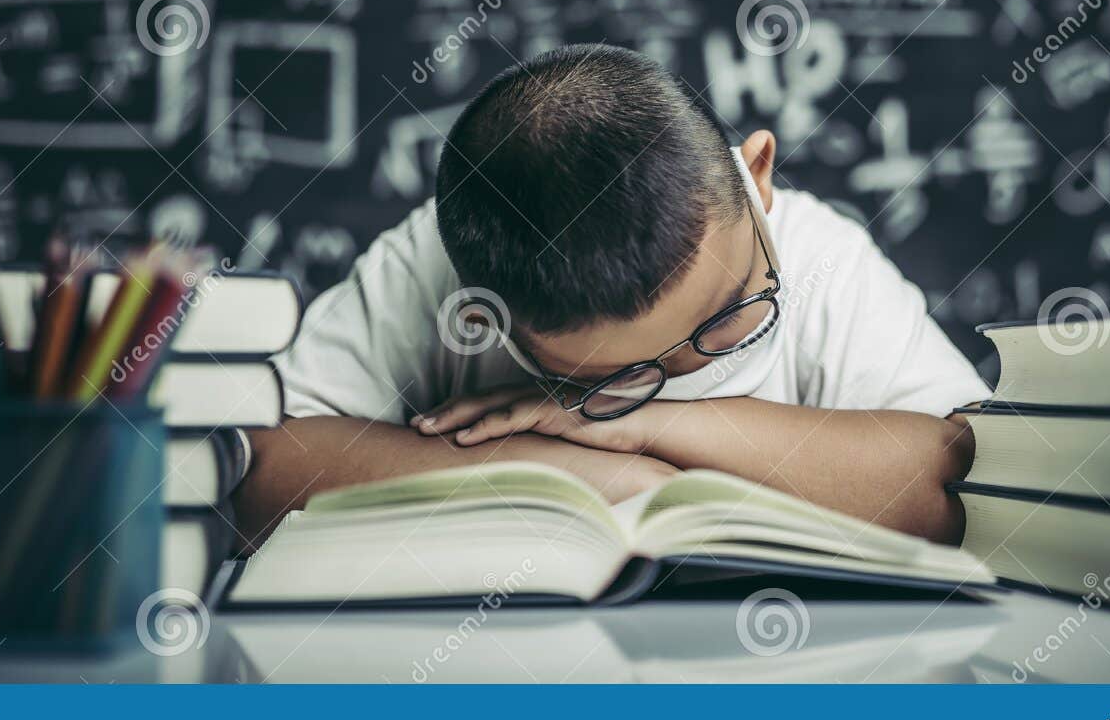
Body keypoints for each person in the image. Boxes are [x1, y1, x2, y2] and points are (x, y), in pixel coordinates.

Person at [235, 45, 987, 547]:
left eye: (729, 320)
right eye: (605, 383)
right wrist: (564, 472)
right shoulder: (432, 264)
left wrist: (640, 427)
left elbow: (963, 479)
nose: (688, 372)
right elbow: (257, 472)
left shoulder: (820, 257)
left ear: (756, 176)